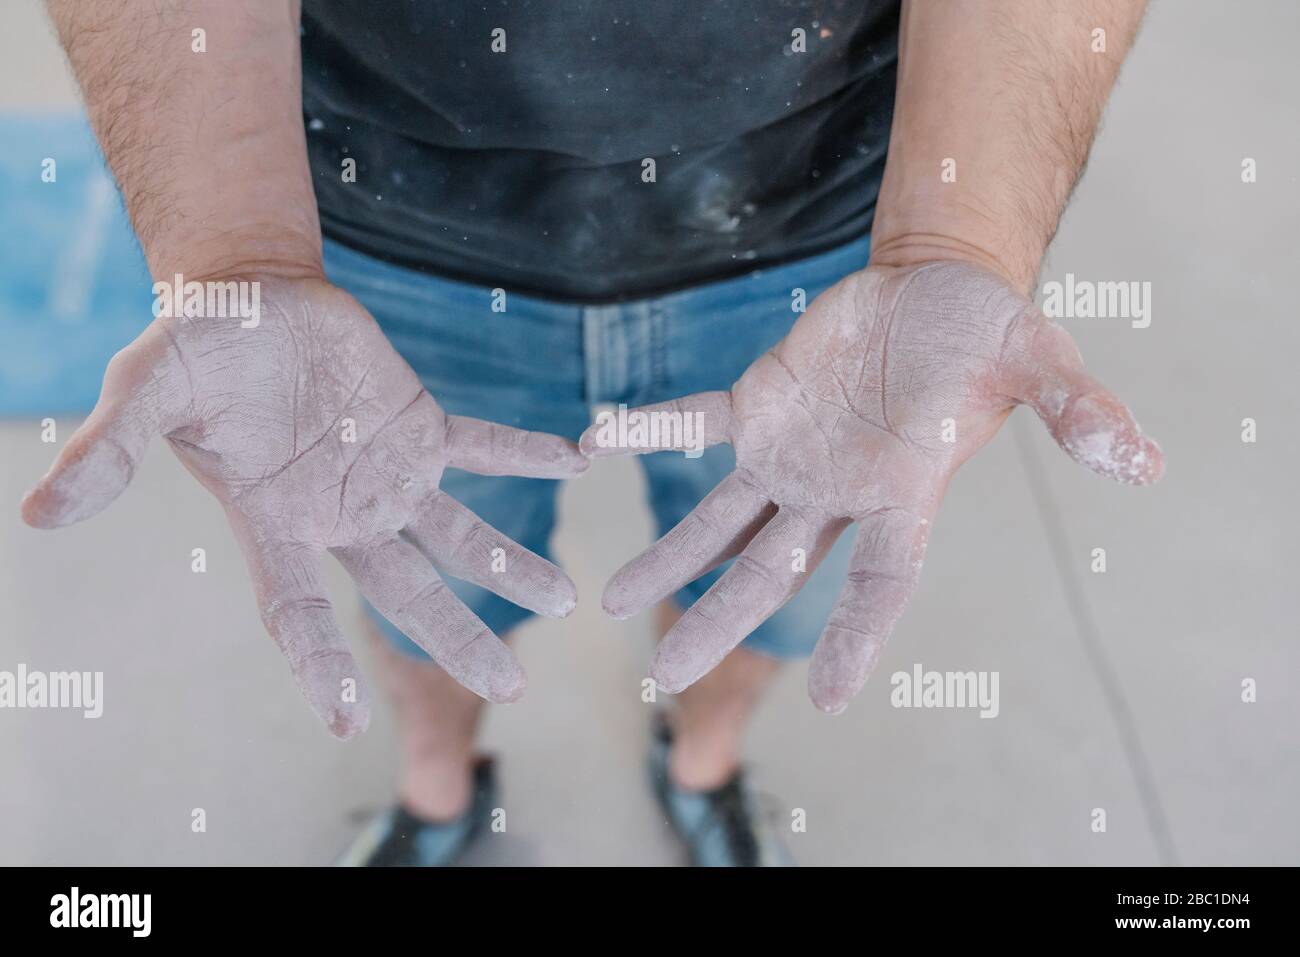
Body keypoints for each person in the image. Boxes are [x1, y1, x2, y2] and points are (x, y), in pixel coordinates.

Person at [26, 0, 1162, 867]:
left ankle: (701, 769)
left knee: (767, 576)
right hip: (382, 233)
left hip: (823, 234)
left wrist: (952, 241)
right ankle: (437, 798)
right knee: (424, 586)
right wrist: (241, 254)